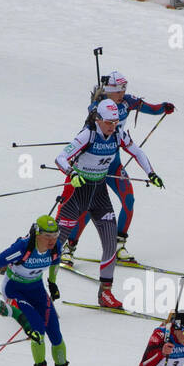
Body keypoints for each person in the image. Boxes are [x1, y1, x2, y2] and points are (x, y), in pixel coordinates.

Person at [54, 98, 162, 309]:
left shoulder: (117, 135)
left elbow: (137, 151)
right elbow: (60, 158)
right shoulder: (88, 134)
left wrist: (152, 173)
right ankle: (39, 286)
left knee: (110, 242)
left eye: (116, 122)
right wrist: (72, 172)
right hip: (78, 191)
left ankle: (105, 293)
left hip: (99, 193)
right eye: (110, 122)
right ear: (98, 119)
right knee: (55, 244)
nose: (114, 126)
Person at [0, 215, 88, 366]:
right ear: (37, 234)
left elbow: (55, 263)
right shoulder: (22, 247)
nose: (52, 240)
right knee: (38, 330)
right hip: (14, 291)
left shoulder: (55, 246)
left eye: (55, 235)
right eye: (48, 236)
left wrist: (52, 282)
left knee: (55, 332)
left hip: (37, 290)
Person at [83, 71, 175, 263]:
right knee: (88, 206)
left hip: (114, 161)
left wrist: (163, 107)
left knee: (129, 200)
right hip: (94, 162)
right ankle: (69, 246)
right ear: (109, 90)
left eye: (125, 88)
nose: (123, 92)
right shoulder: (97, 107)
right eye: (119, 89)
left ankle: (119, 245)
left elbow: (150, 109)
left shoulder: (127, 102)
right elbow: (88, 128)